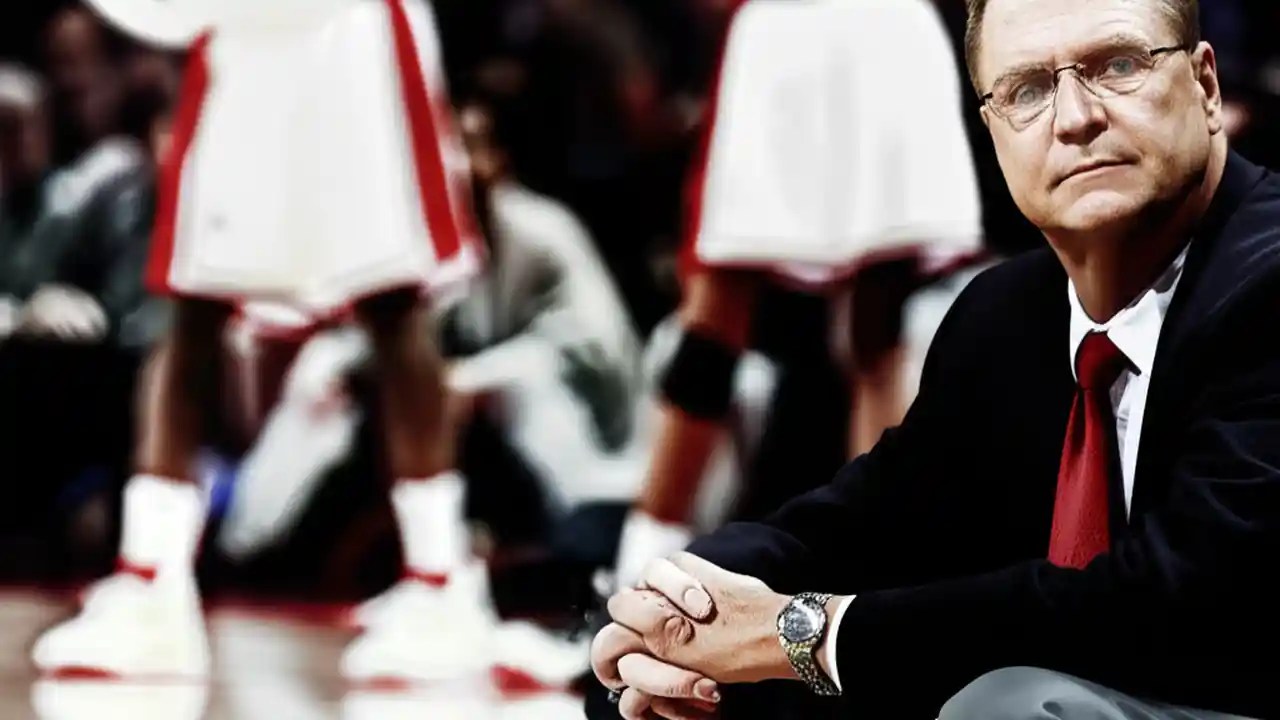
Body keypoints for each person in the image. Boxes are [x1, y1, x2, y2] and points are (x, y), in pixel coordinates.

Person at [587, 0, 1280, 717]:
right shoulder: (1003, 315)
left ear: (1206, 86)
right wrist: (676, 609)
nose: (1075, 118)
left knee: (1009, 705)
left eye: (1120, 66)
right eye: (1027, 90)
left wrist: (800, 634)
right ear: (991, 131)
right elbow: (863, 522)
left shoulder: (1268, 282)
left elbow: (1175, 600)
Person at [31, 0, 491, 685]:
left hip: (348, 34)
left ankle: (440, 581)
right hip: (245, 42)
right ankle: (153, 585)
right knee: (196, 299)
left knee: (392, 298)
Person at [606, 0, 983, 594]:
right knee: (718, 310)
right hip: (801, 31)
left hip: (879, 28)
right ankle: (639, 578)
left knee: (876, 326)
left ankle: (874, 582)